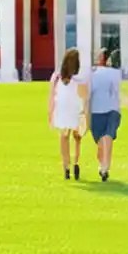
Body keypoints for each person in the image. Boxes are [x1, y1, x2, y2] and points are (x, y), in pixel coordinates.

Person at [49, 49, 87, 180]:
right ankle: (76, 163)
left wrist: (50, 114)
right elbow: (84, 97)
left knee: (64, 138)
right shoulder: (79, 79)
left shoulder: (57, 77)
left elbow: (52, 96)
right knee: (77, 138)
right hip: (75, 110)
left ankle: (66, 167)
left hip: (62, 110)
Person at [88, 48, 122, 182]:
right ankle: (103, 166)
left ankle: (105, 168)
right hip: (104, 109)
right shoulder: (95, 73)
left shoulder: (95, 73)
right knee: (103, 140)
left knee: (107, 137)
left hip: (105, 110)